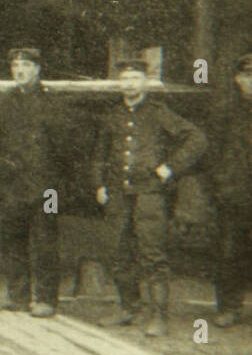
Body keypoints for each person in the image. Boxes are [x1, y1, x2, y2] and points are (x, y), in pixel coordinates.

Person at [94, 56, 207, 336]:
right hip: (118, 192)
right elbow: (99, 156)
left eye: (135, 78)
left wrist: (170, 167)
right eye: (124, 79)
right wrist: (98, 185)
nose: (129, 84)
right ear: (119, 82)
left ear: (145, 82)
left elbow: (197, 139)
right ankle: (128, 308)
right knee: (118, 251)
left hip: (150, 194)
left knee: (152, 253)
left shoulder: (158, 112)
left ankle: (158, 315)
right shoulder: (111, 115)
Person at [0, 47, 73, 317]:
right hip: (14, 185)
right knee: (12, 240)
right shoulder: (6, 100)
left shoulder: (53, 101)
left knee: (45, 241)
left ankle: (46, 299)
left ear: (37, 69)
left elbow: (65, 147)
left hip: (47, 187)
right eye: (15, 66)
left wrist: (56, 182)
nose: (19, 71)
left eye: (25, 65)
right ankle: (18, 296)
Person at [212, 52, 252, 327]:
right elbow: (213, 151)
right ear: (237, 79)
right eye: (247, 76)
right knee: (230, 252)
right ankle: (229, 307)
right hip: (235, 193)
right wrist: (222, 182)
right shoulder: (225, 112)